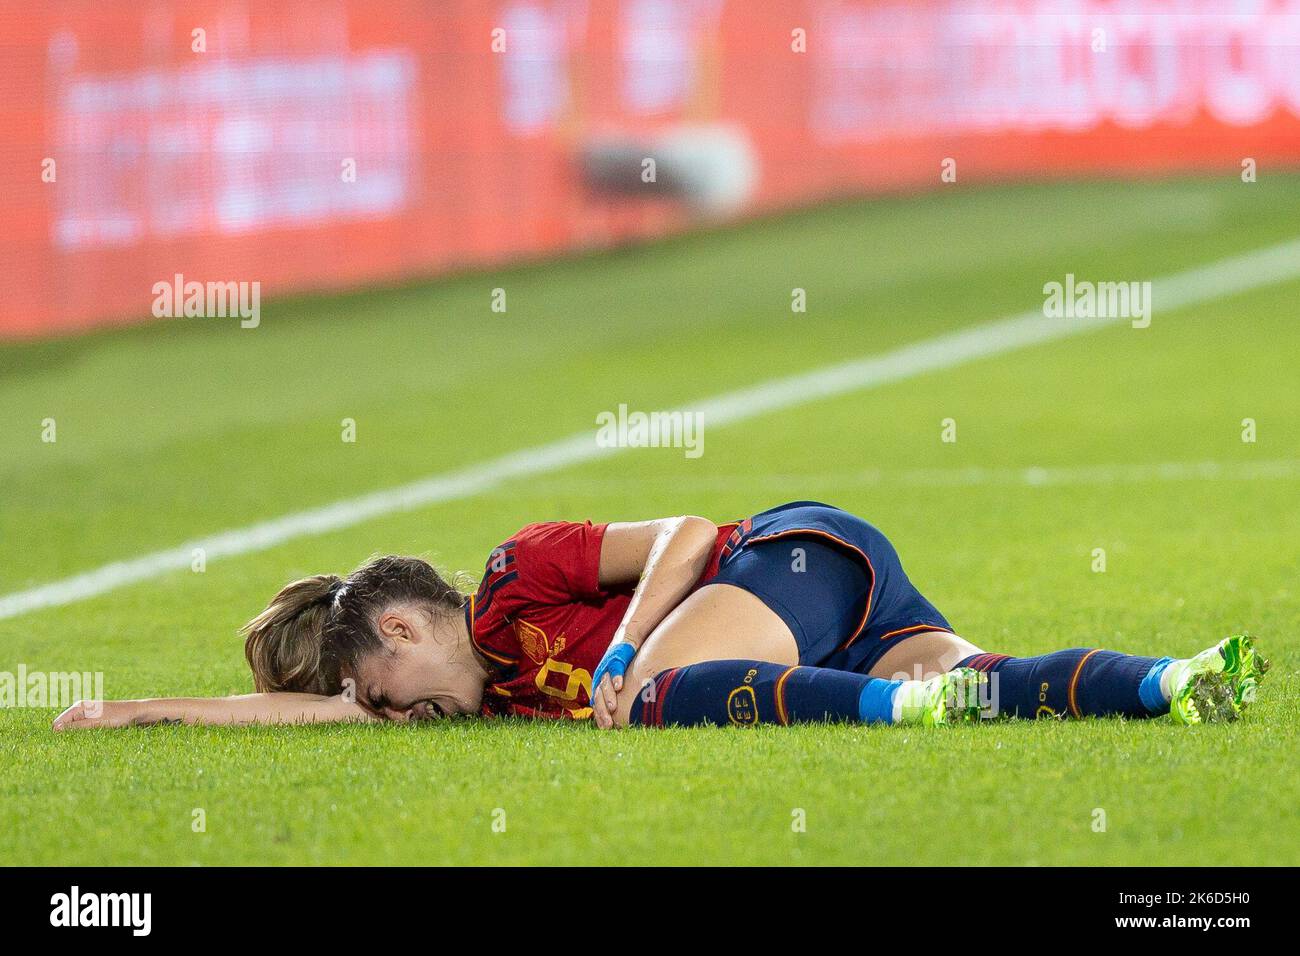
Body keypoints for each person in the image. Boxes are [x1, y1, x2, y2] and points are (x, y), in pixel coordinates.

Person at [52, 501, 1268, 732]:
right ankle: (1174, 679)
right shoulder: (486, 695)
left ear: (406, 633)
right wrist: (139, 710)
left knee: (639, 702)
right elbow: (308, 713)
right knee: (994, 681)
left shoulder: (516, 576)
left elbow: (685, 531)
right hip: (833, 626)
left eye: (378, 691)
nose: (385, 716)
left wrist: (628, 647)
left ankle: (892, 710)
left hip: (791, 559)